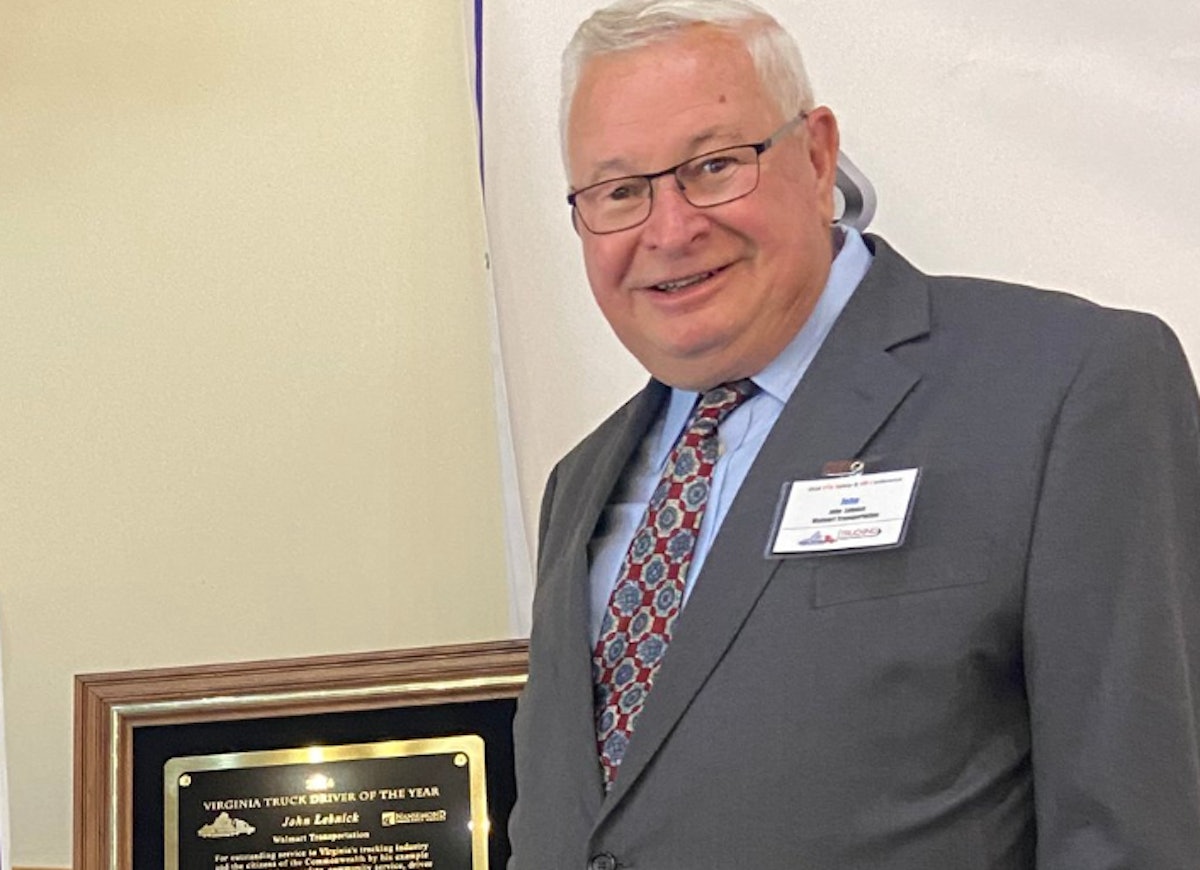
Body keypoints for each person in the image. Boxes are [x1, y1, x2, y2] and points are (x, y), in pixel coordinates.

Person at [507, 0, 1200, 867]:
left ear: (817, 152)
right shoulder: (582, 483)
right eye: (620, 192)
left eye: (715, 166)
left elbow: (1137, 830)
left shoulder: (1067, 389)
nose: (670, 229)